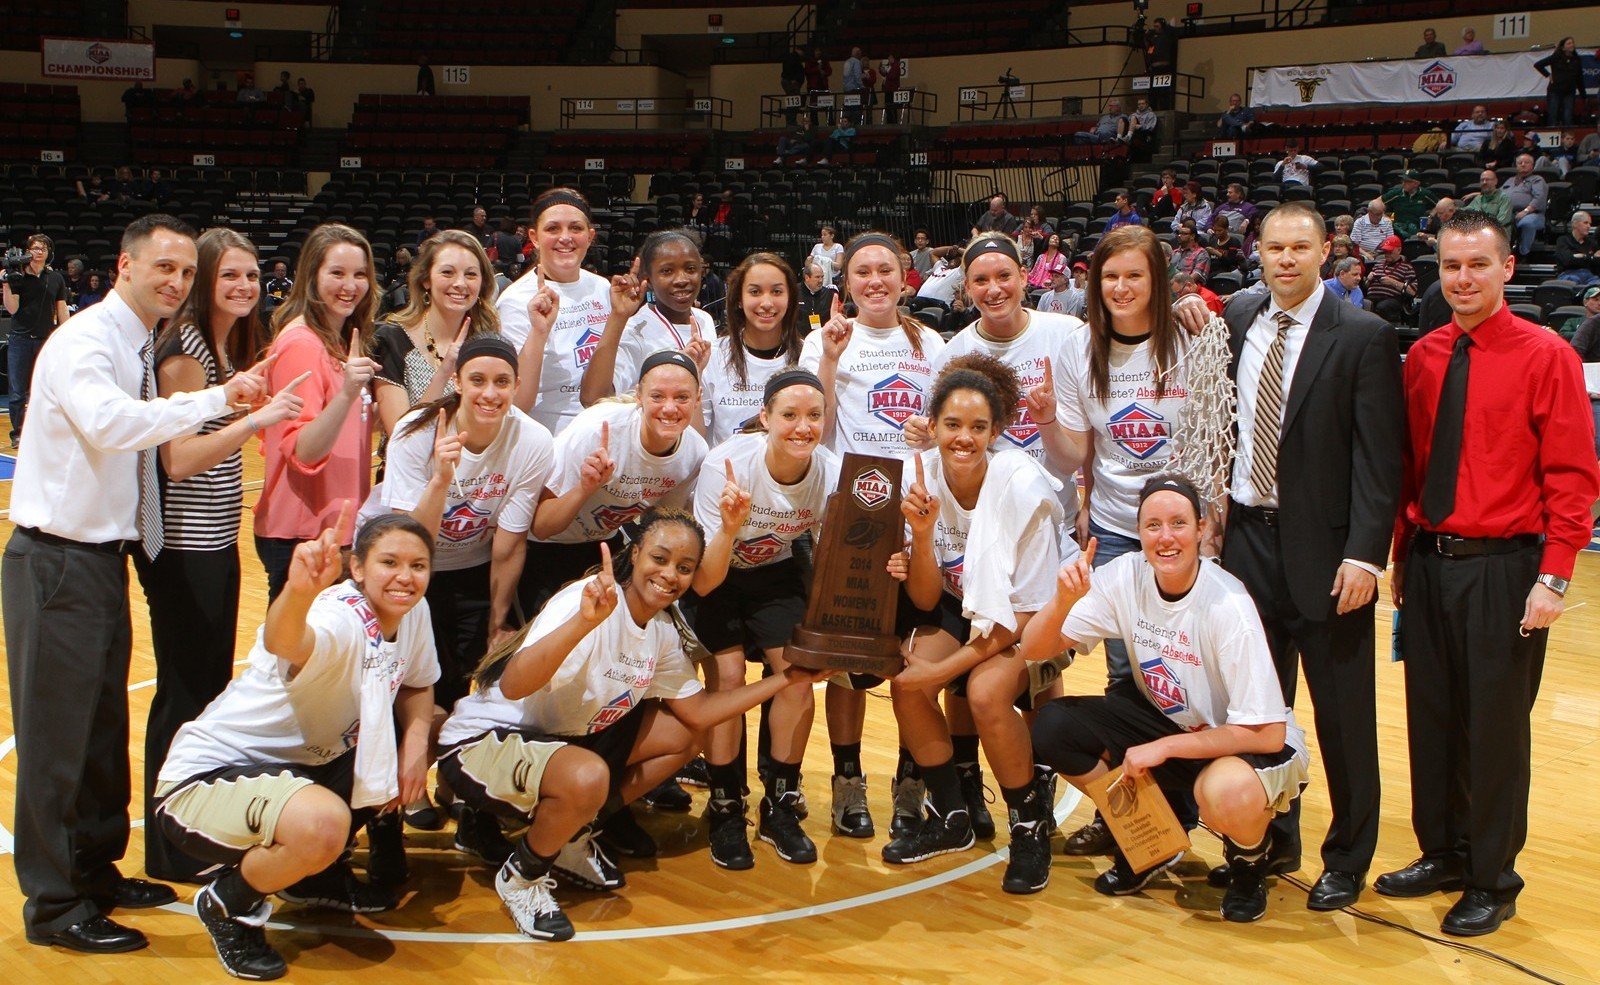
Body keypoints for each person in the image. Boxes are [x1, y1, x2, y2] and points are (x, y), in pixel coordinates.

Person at [4, 215, 274, 954]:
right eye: (164, 267)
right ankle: (55, 905)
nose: (177, 282)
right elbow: (112, 425)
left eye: (185, 271)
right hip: (57, 558)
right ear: (124, 265)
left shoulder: (134, 343)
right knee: (57, 740)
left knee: (98, 730)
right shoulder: (87, 341)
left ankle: (94, 873)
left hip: (100, 559)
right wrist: (219, 400)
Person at [439, 508, 832, 940]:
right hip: (483, 743)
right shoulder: (587, 599)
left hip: (557, 742)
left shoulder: (661, 631)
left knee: (688, 734)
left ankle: (570, 835)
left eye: (684, 568)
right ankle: (523, 876)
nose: (670, 575)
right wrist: (582, 624)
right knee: (588, 775)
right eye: (660, 559)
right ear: (635, 553)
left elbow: (699, 713)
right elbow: (514, 685)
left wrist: (788, 679)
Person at [1175, 200, 1404, 912]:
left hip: (1329, 554)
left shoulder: (1363, 335)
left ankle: (1348, 857)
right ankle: (1272, 840)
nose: (1286, 259)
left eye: (1300, 247)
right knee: (1257, 713)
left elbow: (1379, 460)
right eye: (1274, 247)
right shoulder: (1239, 316)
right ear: (1259, 251)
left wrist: (1365, 556)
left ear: (1326, 250)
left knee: (1342, 719)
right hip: (1247, 543)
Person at [1380, 211, 1599, 936]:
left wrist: (1555, 577)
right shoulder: (1424, 356)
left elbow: (1573, 475)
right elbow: (1412, 465)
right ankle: (1443, 852)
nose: (1463, 278)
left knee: (1495, 730)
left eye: (1477, 264)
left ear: (1507, 268)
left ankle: (1492, 877)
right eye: (1451, 266)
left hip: (1507, 568)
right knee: (1433, 717)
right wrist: (1402, 556)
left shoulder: (1547, 355)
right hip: (1431, 563)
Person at [153, 509, 438, 979]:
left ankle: (311, 878)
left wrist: (414, 747)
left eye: (418, 565)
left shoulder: (413, 611)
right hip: (202, 783)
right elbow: (287, 642)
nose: (405, 577)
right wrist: (300, 591)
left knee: (427, 730)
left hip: (301, 769)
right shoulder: (339, 617)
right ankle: (228, 903)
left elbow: (419, 684)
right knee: (322, 825)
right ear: (357, 567)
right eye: (389, 563)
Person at [1025, 474, 1311, 922]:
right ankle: (1155, 838)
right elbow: (1034, 648)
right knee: (1054, 726)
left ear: (1201, 529)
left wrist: (1165, 748)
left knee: (1224, 792)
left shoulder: (1228, 604)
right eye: (1153, 525)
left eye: (1178, 523)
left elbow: (1267, 733)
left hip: (1244, 743)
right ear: (1138, 533)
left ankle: (1249, 863)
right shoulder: (1125, 575)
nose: (1166, 537)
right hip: (1172, 725)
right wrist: (1062, 601)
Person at [136, 228, 307, 884]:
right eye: (229, 275)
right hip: (183, 545)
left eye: (252, 275)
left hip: (211, 539)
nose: (244, 286)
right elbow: (176, 460)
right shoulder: (186, 350)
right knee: (184, 691)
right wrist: (255, 420)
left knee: (203, 687)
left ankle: (193, 832)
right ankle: (170, 847)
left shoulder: (225, 347)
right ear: (204, 280)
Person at [359, 334, 556, 872]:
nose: (490, 393)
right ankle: (386, 821)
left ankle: (467, 803)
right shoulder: (417, 431)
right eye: (478, 381)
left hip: (470, 569)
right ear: (457, 383)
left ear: (517, 385)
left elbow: (509, 542)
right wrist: (442, 479)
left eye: (502, 382)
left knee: (461, 695)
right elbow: (408, 541)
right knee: (397, 695)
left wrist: (497, 622)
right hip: (402, 572)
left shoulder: (532, 441)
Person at [886, 354, 1065, 892]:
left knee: (985, 694)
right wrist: (921, 536)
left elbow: (1026, 614)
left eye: (978, 427)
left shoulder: (1023, 489)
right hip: (960, 605)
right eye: (952, 424)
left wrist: (946, 672)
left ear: (996, 432)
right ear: (933, 425)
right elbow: (925, 596)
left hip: (1029, 616)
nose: (964, 438)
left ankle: (1028, 827)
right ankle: (952, 816)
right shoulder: (918, 477)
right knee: (907, 680)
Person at [1048, 225, 1197, 856]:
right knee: (1124, 675)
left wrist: (1210, 523)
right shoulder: (1079, 351)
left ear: (1157, 280)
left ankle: (1186, 806)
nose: (1121, 287)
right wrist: (1045, 420)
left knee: (1182, 673)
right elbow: (1075, 453)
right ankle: (1135, 821)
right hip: (1113, 528)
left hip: (1184, 532)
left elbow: (1216, 435)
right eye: (1110, 276)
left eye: (1135, 275)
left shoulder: (1191, 339)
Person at [802, 230, 946, 841]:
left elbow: (948, 422)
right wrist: (830, 361)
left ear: (904, 276)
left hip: (916, 511)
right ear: (847, 281)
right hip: (850, 514)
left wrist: (931, 433)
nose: (875, 281)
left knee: (914, 654)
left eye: (885, 269)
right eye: (862, 271)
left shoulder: (929, 341)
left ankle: (911, 783)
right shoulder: (825, 340)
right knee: (847, 662)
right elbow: (814, 425)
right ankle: (847, 780)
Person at [686, 370, 839, 868]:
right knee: (728, 677)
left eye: (814, 415)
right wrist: (730, 529)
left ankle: (780, 802)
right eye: (789, 415)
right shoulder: (727, 465)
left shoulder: (830, 472)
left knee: (798, 677)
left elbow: (832, 554)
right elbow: (704, 583)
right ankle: (726, 804)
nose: (803, 427)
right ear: (765, 418)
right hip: (717, 572)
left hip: (776, 572)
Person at [522, 349, 709, 633]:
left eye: (682, 397)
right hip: (544, 548)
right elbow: (541, 526)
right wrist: (585, 488)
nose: (670, 408)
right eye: (657, 396)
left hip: (604, 545)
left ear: (697, 399)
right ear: (639, 396)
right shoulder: (596, 429)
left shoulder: (694, 452)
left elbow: (661, 523)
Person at [255, 224, 380, 602]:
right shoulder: (302, 343)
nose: (350, 285)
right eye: (337, 273)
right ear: (312, 276)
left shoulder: (337, 340)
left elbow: (345, 427)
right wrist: (348, 394)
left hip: (332, 528)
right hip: (303, 533)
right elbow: (304, 450)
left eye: (360, 274)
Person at [496, 188, 613, 436]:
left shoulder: (603, 288)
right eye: (552, 229)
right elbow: (514, 402)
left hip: (604, 429)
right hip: (548, 437)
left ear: (590, 236)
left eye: (576, 228)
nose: (565, 238)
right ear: (534, 237)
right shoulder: (515, 301)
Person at [371, 230, 499, 438]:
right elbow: (401, 438)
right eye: (447, 272)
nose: (460, 283)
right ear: (426, 279)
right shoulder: (391, 339)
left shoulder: (488, 340)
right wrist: (445, 371)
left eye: (471, 274)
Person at [581, 231, 714, 406]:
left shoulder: (705, 319)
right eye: (667, 271)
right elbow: (592, 399)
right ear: (648, 280)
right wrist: (618, 316)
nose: (681, 280)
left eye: (690, 269)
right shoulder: (636, 331)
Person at [702, 253, 805, 445]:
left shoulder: (808, 355)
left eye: (777, 292)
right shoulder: (713, 356)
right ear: (739, 299)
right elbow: (695, 438)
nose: (766, 303)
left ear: (790, 298)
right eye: (755, 292)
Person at [1, 233, 69, 446]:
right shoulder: (18, 277)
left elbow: (61, 308)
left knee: (44, 389)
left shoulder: (56, 278)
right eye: (35, 248)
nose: (39, 252)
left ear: (49, 253)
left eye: (43, 249)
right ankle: (18, 433)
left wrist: (67, 334)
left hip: (45, 340)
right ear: (28, 251)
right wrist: (6, 284)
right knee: (17, 391)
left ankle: (43, 431)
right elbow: (12, 309)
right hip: (20, 339)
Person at [1502, 152, 1549, 258]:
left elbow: (1540, 198)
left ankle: (1524, 253)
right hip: (1509, 213)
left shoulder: (1537, 179)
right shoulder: (1510, 180)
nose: (1523, 164)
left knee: (1527, 223)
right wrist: (1479, 194)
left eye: (1526, 162)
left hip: (1532, 214)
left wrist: (1526, 211)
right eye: (1520, 163)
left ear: (1532, 165)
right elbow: (1497, 194)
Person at [1365, 235, 1419, 323]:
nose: (1387, 254)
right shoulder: (1378, 264)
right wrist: (1368, 279)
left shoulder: (1407, 268)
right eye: (1385, 251)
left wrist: (1393, 282)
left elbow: (1412, 291)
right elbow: (1366, 286)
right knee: (1363, 304)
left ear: (1399, 250)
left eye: (1390, 251)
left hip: (1392, 298)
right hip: (1372, 297)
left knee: (1382, 307)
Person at [1383, 170, 1439, 240]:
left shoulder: (1425, 194)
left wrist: (1431, 216)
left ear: (1416, 183)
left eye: (1407, 181)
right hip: (1398, 229)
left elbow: (1440, 205)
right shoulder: (1396, 193)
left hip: (1417, 230)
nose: (1403, 183)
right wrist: (1383, 216)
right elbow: (1377, 202)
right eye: (1403, 181)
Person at [1459, 168, 1514, 239]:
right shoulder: (1478, 199)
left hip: (1498, 235)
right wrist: (1453, 211)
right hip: (1478, 234)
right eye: (1482, 180)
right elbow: (1466, 211)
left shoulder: (1504, 198)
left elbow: (1502, 221)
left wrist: (1481, 228)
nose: (1484, 182)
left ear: (1495, 181)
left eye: (1487, 180)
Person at [795, 258, 838, 330]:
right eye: (817, 277)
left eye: (822, 277)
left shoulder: (828, 294)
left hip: (821, 333)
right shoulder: (794, 292)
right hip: (801, 334)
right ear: (807, 278)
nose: (820, 280)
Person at [780, 45, 806, 126]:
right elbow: (790, 68)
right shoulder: (794, 58)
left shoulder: (792, 57)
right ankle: (791, 122)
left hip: (790, 81)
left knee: (793, 101)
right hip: (791, 82)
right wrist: (793, 79)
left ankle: (791, 121)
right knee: (793, 102)